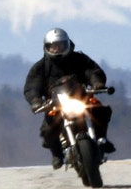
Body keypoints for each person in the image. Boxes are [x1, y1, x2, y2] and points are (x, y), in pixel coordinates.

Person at [23, 27, 115, 169]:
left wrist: (97, 83)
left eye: (60, 45)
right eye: (53, 46)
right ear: (47, 47)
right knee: (47, 129)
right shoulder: (40, 67)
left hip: (81, 98)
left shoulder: (79, 59)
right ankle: (57, 153)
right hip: (56, 104)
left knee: (100, 110)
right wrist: (36, 101)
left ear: (67, 44)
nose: (57, 49)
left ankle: (102, 138)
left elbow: (92, 71)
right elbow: (32, 86)